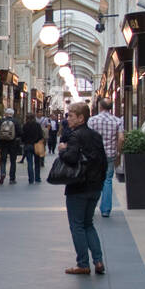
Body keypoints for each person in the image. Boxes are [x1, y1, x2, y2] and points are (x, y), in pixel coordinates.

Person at [58, 101, 109, 275]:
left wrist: (62, 150)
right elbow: (102, 161)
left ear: (81, 118)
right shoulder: (96, 136)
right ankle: (99, 260)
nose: (68, 118)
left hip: (78, 187)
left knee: (77, 225)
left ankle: (83, 263)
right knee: (88, 224)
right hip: (95, 187)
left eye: (71, 115)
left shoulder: (74, 136)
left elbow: (71, 158)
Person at [87, 96, 124, 218]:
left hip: (95, 155)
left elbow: (88, 137)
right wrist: (118, 152)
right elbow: (121, 138)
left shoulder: (92, 121)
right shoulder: (117, 121)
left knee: (93, 180)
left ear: (100, 107)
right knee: (107, 180)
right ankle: (105, 210)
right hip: (109, 155)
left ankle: (90, 209)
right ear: (111, 108)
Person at [0, 108, 22, 184]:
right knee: (13, 161)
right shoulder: (16, 121)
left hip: (3, 143)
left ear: (6, 114)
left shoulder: (1, 121)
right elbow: (20, 132)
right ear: (12, 114)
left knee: (3, 160)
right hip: (13, 144)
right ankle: (12, 178)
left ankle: (3, 173)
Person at [21, 111, 45, 183]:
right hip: (37, 145)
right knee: (37, 162)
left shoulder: (25, 126)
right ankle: (37, 178)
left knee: (29, 163)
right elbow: (41, 136)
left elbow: (23, 136)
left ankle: (31, 179)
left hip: (28, 145)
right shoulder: (37, 125)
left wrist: (24, 142)